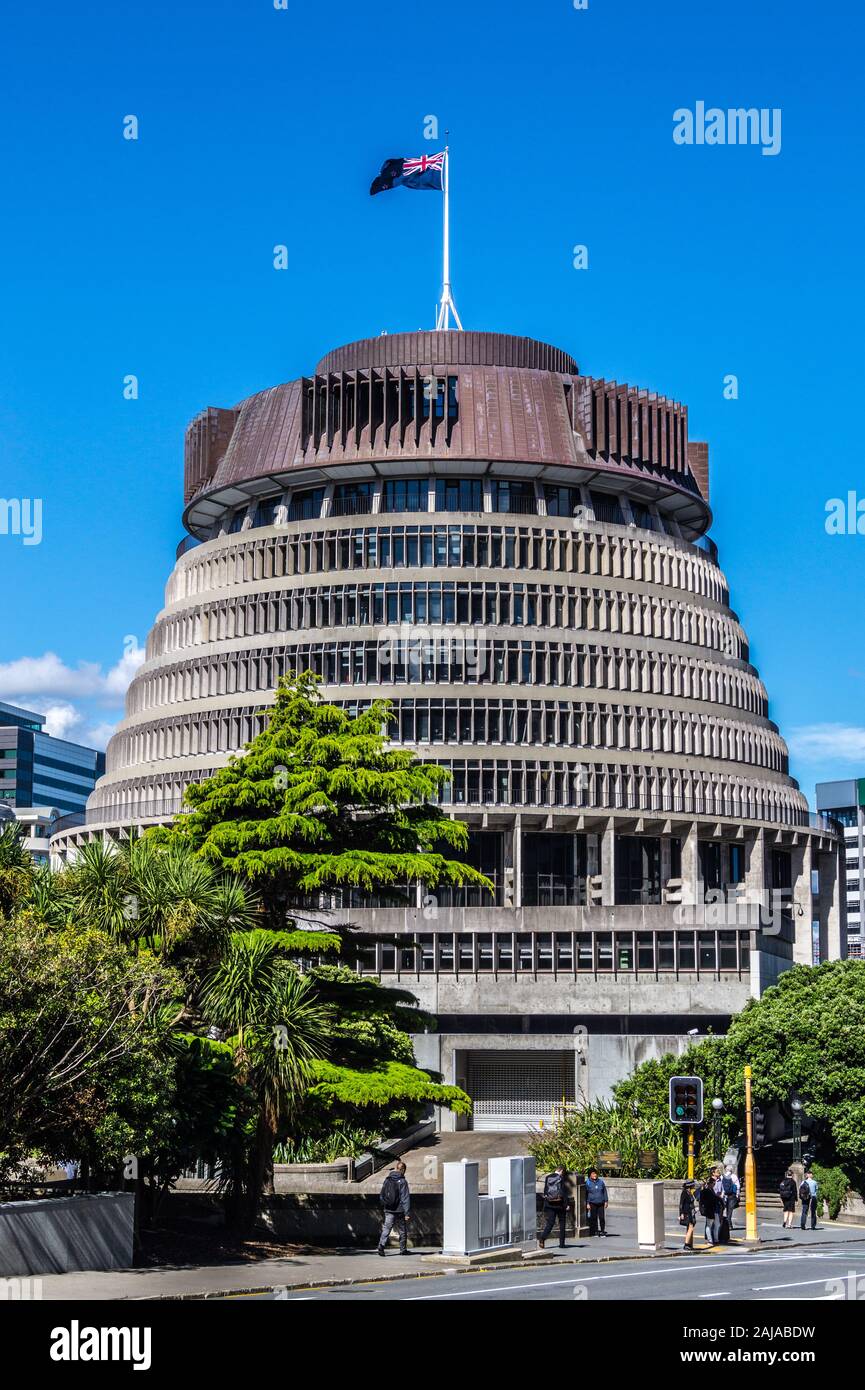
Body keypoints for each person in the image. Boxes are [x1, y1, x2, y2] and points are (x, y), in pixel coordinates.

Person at [377, 1160, 410, 1256]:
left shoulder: (387, 1179)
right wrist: (407, 1213)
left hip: (388, 1209)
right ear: (403, 1170)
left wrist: (384, 1204)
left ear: (396, 1168)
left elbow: (382, 1194)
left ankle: (381, 1246)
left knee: (386, 1229)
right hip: (399, 1210)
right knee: (402, 1230)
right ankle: (403, 1250)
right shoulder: (403, 1181)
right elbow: (405, 1198)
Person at [538, 1165, 572, 1249]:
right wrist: (566, 1204)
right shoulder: (561, 1178)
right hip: (559, 1204)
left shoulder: (548, 1177)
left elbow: (546, 1190)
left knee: (550, 1222)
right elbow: (563, 1192)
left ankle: (542, 1238)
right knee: (562, 1223)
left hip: (550, 1203)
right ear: (562, 1171)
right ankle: (562, 1244)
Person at [585, 1167, 609, 1237]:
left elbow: (604, 1192)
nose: (595, 1175)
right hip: (592, 1203)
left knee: (602, 1218)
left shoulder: (601, 1182)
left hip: (601, 1203)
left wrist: (606, 1201)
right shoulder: (587, 1183)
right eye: (593, 1174)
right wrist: (587, 1203)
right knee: (593, 1218)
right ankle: (595, 1231)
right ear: (590, 1175)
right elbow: (586, 1194)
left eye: (595, 1173)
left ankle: (602, 1231)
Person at [699, 1175, 718, 1244]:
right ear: (710, 1183)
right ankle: (710, 1240)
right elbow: (702, 1198)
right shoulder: (707, 1191)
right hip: (709, 1210)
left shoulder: (710, 1190)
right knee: (709, 1226)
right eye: (713, 1183)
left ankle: (712, 1239)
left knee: (710, 1225)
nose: (714, 1185)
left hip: (711, 1210)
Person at [679, 1179, 697, 1251]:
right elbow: (681, 1204)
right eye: (693, 1184)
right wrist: (681, 1213)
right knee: (690, 1227)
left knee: (690, 1227)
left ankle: (689, 1244)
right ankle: (686, 1244)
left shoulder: (690, 1193)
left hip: (691, 1212)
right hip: (687, 1212)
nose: (694, 1185)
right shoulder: (684, 1193)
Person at [721, 1165, 740, 1230]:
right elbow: (738, 1186)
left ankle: (725, 1224)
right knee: (730, 1211)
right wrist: (737, 1195)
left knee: (724, 1210)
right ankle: (729, 1225)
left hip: (724, 1195)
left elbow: (721, 1186)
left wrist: (722, 1194)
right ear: (731, 1170)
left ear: (726, 1169)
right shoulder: (734, 1176)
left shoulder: (722, 1176)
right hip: (732, 1195)